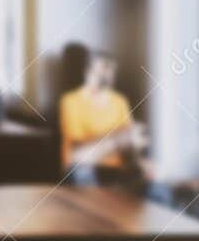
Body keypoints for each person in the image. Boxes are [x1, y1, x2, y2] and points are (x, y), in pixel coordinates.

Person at [59, 51, 151, 190]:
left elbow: (128, 142)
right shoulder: (70, 101)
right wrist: (117, 140)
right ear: (88, 71)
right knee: (81, 170)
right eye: (102, 69)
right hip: (83, 166)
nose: (107, 74)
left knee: (149, 179)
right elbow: (78, 151)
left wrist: (140, 162)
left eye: (110, 70)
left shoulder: (120, 101)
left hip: (117, 169)